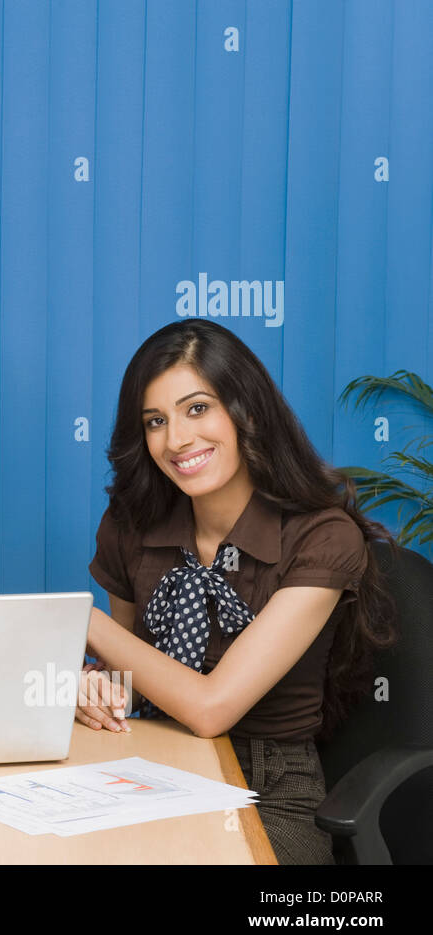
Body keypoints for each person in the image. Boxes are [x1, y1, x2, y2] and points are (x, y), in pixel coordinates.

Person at [81, 318, 394, 864]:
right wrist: (97, 691)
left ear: (246, 410)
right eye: (155, 421)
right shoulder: (130, 525)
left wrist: (83, 624)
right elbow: (131, 681)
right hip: (145, 759)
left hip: (268, 785)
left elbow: (209, 708)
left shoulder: (322, 537)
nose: (177, 440)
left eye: (197, 408)